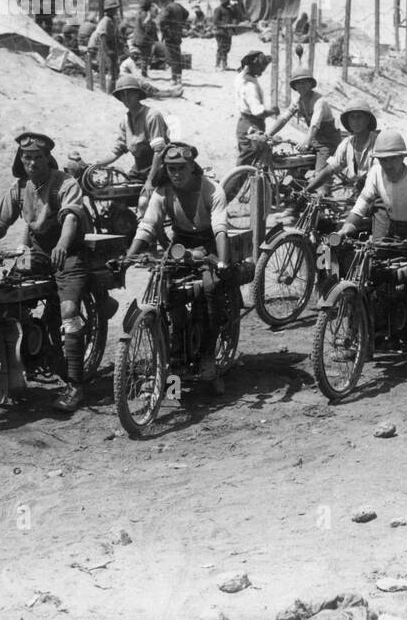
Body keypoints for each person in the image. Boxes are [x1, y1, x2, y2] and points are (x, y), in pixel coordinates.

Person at [0, 132, 95, 412]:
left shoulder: (65, 183)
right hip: (39, 251)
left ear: (47, 159)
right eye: (26, 157)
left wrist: (63, 245)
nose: (31, 162)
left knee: (68, 311)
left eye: (37, 157)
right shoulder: (19, 188)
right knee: (6, 295)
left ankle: (75, 387)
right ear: (20, 159)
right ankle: (20, 362)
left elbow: (71, 217)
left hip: (71, 253)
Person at [125, 141, 233, 383]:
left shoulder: (212, 190)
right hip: (181, 246)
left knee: (211, 288)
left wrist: (223, 262)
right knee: (165, 289)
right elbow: (148, 225)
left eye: (181, 168)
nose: (176, 174)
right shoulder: (163, 191)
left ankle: (207, 355)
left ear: (192, 167)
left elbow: (220, 229)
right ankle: (174, 351)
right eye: (171, 169)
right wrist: (129, 256)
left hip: (211, 245)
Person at [335, 131, 407, 357]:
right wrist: (346, 228)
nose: (387, 164)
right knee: (369, 271)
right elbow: (361, 205)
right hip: (394, 234)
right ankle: (366, 333)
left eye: (392, 158)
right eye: (383, 159)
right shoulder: (375, 173)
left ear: (402, 157)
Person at [84, 75, 171, 183]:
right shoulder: (125, 121)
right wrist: (96, 165)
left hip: (160, 169)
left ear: (137, 94)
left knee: (144, 200)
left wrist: (150, 181)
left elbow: (159, 152)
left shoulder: (152, 116)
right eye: (122, 94)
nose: (126, 97)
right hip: (139, 170)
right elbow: (117, 151)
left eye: (129, 93)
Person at [266, 65, 342, 172]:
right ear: (294, 86)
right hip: (314, 141)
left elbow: (314, 125)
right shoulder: (298, 101)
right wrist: (268, 135)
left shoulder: (319, 101)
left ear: (310, 84)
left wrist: (306, 142)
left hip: (328, 144)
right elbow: (283, 118)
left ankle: (322, 187)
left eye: (304, 82)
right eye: (298, 83)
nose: (301, 86)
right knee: (294, 167)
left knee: (320, 178)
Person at [307, 104, 380, 200]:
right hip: (358, 195)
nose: (355, 121)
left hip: (377, 194)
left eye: (359, 117)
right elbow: (330, 169)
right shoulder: (347, 143)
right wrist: (308, 189)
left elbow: (380, 175)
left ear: (367, 120)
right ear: (348, 122)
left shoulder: (378, 142)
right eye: (352, 117)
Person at [235, 51, 278, 166]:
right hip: (252, 124)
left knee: (247, 159)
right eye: (260, 68)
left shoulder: (241, 77)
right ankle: (232, 184)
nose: (262, 72)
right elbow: (258, 112)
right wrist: (273, 111)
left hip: (243, 123)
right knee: (248, 160)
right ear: (252, 66)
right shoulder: (250, 87)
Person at [159, 0, 191, 85]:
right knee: (177, 56)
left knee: (171, 57)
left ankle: (173, 79)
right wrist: (180, 24)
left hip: (170, 36)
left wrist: (165, 31)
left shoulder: (168, 7)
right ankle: (179, 78)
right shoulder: (178, 6)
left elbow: (162, 21)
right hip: (177, 35)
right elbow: (186, 14)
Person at [87, 3, 120, 93]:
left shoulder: (112, 20)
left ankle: (112, 90)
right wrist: (108, 50)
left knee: (113, 70)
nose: (116, 10)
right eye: (114, 9)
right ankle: (109, 91)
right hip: (106, 46)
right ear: (109, 10)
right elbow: (103, 36)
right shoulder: (106, 21)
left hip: (111, 45)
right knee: (110, 70)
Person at [212, 0, 242, 70]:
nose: (228, 2)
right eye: (227, 1)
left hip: (227, 32)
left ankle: (224, 64)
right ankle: (218, 65)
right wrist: (225, 25)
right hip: (220, 32)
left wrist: (235, 7)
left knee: (227, 48)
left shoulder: (229, 10)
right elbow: (215, 21)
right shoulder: (218, 9)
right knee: (221, 48)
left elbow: (237, 16)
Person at [131, 0, 158, 75]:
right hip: (144, 39)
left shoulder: (139, 13)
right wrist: (151, 22)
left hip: (138, 38)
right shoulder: (145, 14)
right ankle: (144, 73)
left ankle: (143, 72)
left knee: (143, 56)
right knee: (145, 56)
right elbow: (147, 27)